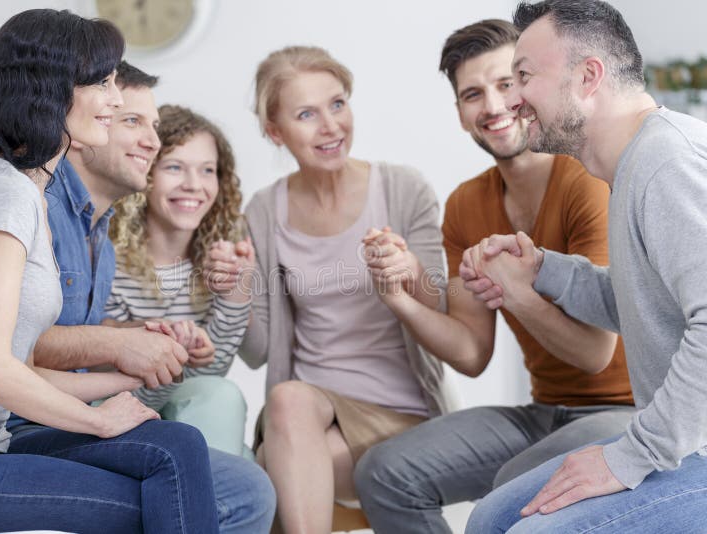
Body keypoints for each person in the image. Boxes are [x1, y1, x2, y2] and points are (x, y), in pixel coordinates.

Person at [0, 62, 275, 533]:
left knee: (215, 458)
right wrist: (122, 350)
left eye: (153, 126)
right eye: (128, 119)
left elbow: (26, 355)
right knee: (213, 485)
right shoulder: (18, 201)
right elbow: (8, 354)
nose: (152, 140)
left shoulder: (96, 227)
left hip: (23, 419)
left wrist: (139, 355)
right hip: (0, 431)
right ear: (74, 119)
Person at [353, 19, 635, 534]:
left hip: (627, 415)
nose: (493, 106)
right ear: (461, 115)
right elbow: (471, 352)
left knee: (509, 490)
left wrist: (518, 294)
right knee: (385, 471)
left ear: (531, 86)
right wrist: (402, 300)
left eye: (506, 84)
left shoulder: (586, 183)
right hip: (545, 410)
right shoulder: (467, 205)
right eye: (472, 94)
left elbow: (597, 354)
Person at [461, 1, 707, 532]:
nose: (515, 97)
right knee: (488, 519)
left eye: (524, 76)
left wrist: (629, 458)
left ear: (588, 77)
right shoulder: (631, 165)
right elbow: (644, 304)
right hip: (683, 444)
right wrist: (545, 269)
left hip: (697, 450)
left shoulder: (667, 164)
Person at [239, 45, 454, 533]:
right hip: (303, 413)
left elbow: (441, 306)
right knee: (290, 406)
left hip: (400, 415)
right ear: (275, 132)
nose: (331, 126)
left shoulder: (402, 190)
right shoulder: (263, 212)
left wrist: (408, 269)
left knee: (276, 470)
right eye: (306, 114)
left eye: (337, 104)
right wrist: (233, 289)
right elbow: (255, 353)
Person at [106, 104, 255, 458]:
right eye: (175, 167)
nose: (194, 185)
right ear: (146, 173)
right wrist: (166, 340)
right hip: (116, 417)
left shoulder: (220, 259)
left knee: (225, 409)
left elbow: (212, 374)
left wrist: (237, 293)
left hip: (191, 410)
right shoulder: (107, 258)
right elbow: (114, 389)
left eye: (207, 171)